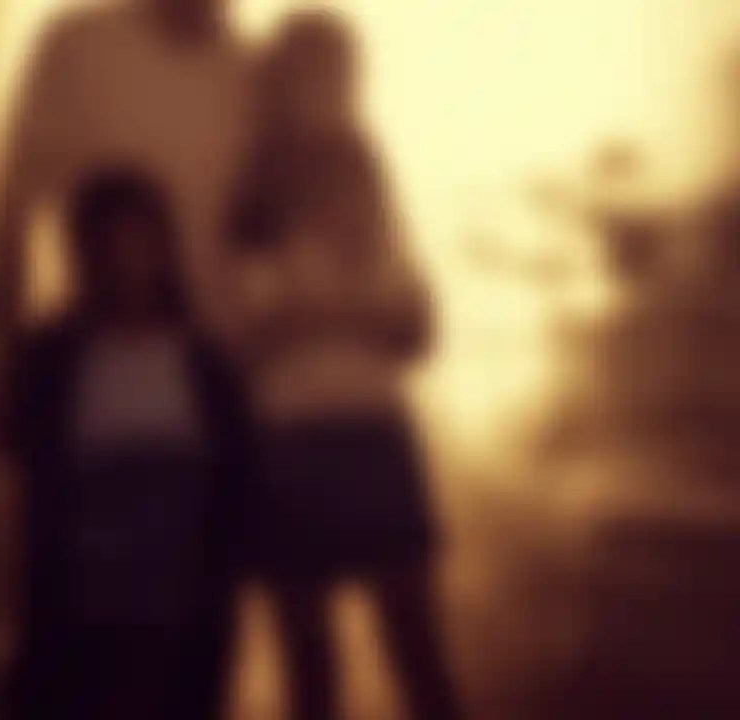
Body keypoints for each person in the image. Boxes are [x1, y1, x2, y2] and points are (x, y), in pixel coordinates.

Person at [231, 12, 463, 720]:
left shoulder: (368, 168)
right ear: (284, 82)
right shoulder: (254, 189)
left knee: (417, 644)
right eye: (318, 72)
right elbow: (253, 333)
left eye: (343, 73)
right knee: (311, 659)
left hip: (374, 427)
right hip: (290, 436)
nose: (333, 90)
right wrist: (351, 314)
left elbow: (417, 325)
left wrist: (330, 314)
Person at [0, 169, 249, 720]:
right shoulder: (53, 359)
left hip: (182, 599)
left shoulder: (203, 363)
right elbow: (21, 460)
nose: (124, 261)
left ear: (164, 251)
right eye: (108, 244)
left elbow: (236, 481)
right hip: (82, 600)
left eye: (138, 242)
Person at [0, 0, 253, 349]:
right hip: (94, 351)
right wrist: (8, 347)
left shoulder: (250, 75)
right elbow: (14, 206)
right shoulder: (80, 48)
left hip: (214, 355)